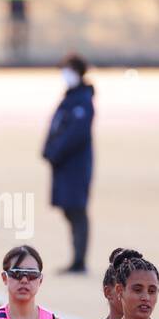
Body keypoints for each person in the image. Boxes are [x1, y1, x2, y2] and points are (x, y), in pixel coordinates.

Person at [42, 54, 94, 274]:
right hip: (65, 164)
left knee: (77, 209)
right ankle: (76, 258)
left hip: (75, 164)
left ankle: (79, 259)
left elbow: (75, 134)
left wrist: (56, 151)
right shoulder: (71, 98)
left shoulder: (82, 100)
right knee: (69, 208)